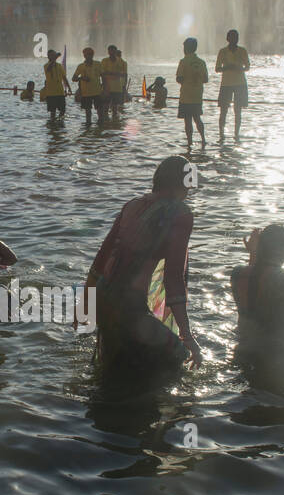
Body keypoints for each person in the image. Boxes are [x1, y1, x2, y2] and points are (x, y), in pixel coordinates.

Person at [86, 156, 202, 370]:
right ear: (183, 184)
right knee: (179, 357)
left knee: (111, 369)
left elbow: (101, 258)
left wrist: (84, 306)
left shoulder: (132, 205)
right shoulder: (181, 214)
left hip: (103, 297)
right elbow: (173, 278)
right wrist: (188, 337)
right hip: (130, 307)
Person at [215, 28, 250, 142]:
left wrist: (240, 68)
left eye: (236, 37)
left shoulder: (242, 51)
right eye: (232, 37)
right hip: (226, 84)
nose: (234, 40)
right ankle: (221, 134)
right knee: (223, 110)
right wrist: (226, 67)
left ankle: (236, 134)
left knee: (238, 110)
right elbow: (217, 68)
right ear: (227, 39)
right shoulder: (222, 52)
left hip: (240, 84)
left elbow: (247, 67)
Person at [175, 37, 208, 149]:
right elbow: (205, 79)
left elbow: (179, 79)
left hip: (186, 95)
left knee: (188, 120)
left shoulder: (183, 62)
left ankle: (190, 142)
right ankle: (203, 139)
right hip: (198, 95)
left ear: (187, 48)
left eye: (184, 47)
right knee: (197, 118)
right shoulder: (201, 62)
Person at [72, 46, 103, 126]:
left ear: (92, 55)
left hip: (97, 91)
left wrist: (105, 89)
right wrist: (82, 78)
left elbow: (103, 77)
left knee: (100, 111)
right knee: (88, 112)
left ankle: (100, 125)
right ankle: (88, 126)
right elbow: (74, 78)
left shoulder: (98, 64)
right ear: (84, 56)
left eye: (89, 54)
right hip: (86, 92)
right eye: (86, 54)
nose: (87, 56)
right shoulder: (81, 66)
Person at [40, 48, 68, 121]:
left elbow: (64, 77)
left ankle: (59, 121)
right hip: (51, 93)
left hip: (60, 92)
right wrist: (55, 58)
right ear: (49, 57)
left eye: (54, 55)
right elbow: (48, 69)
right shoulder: (46, 65)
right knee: (53, 112)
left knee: (63, 110)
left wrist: (69, 88)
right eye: (52, 55)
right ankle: (53, 123)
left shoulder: (59, 66)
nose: (54, 56)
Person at [100, 44, 126, 119]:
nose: (112, 53)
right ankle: (106, 122)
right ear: (108, 52)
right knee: (105, 107)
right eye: (110, 51)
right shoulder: (104, 61)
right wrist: (104, 87)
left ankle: (115, 123)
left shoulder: (121, 61)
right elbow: (102, 74)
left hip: (117, 87)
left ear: (115, 52)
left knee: (115, 108)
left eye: (113, 51)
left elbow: (124, 74)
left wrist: (123, 87)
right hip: (107, 87)